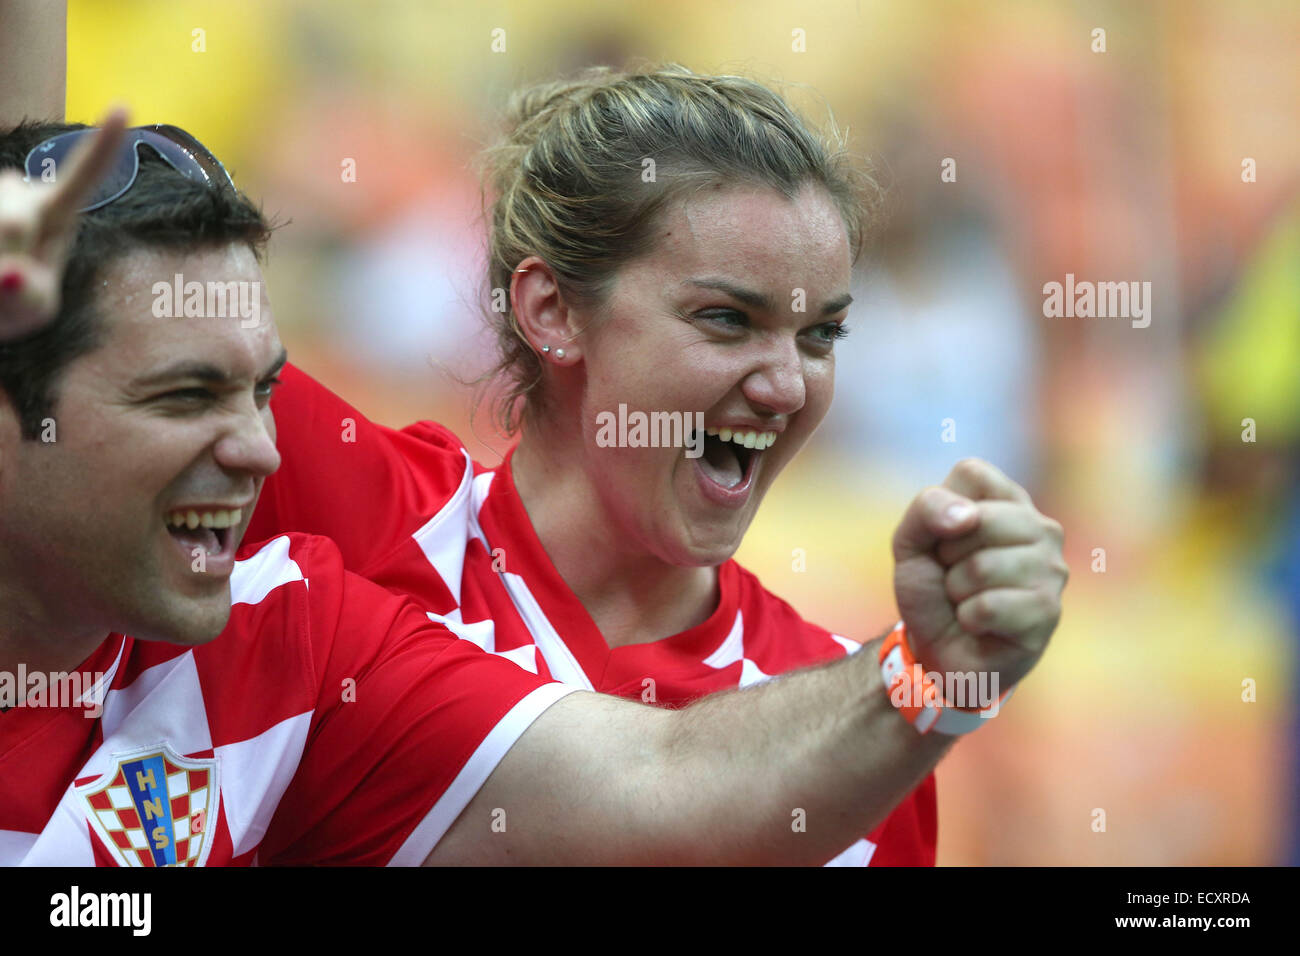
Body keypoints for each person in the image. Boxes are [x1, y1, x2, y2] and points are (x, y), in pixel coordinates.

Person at [0, 110, 1066, 866]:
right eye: (727, 319)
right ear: (551, 310)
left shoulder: (841, 726)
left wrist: (936, 678)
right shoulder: (346, 499)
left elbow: (673, 786)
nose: (788, 381)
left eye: (822, 331)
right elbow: (66, 316)